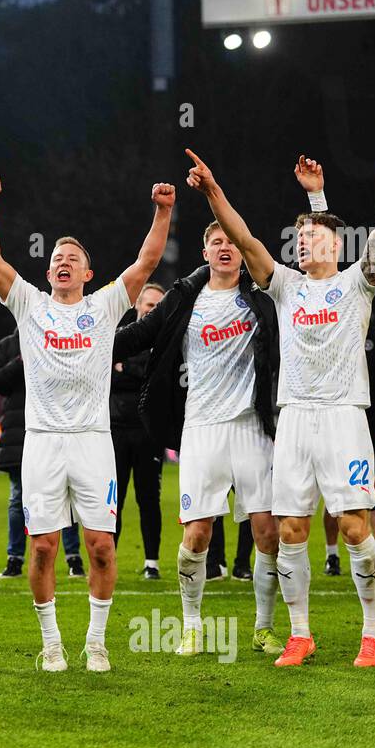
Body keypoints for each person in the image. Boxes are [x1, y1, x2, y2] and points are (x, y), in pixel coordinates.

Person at [186, 129, 375, 668]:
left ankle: (374, 633)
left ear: (337, 245)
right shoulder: (284, 285)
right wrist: (212, 190)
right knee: (291, 528)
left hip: (343, 417)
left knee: (356, 526)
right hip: (293, 421)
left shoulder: (360, 282)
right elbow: (243, 239)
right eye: (301, 235)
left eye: (315, 234)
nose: (305, 240)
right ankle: (300, 634)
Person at [0, 174, 175, 673]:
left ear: (89, 273)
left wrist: (163, 210)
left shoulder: (105, 306)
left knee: (101, 546)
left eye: (73, 259)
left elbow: (147, 261)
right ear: (47, 272)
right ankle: (51, 643)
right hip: (42, 444)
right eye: (57, 258)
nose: (63, 262)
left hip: (92, 442)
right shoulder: (29, 305)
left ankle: (97, 641)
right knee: (42, 547)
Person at [114, 216, 284, 658]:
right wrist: (89, 343)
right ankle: (191, 626)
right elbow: (138, 336)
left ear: (241, 251)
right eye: (216, 242)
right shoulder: (183, 300)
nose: (225, 247)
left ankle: (263, 628)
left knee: (268, 532)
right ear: (204, 252)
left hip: (251, 427)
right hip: (202, 429)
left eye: (231, 241)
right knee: (197, 536)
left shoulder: (261, 297)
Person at [0, 330, 84, 580]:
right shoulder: (9, 345)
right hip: (21, 434)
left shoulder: (63, 340)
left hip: (60, 429)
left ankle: (74, 558)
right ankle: (15, 559)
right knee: (19, 497)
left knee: (67, 494)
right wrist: (22, 360)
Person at [323, 324, 375, 578]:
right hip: (336, 423)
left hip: (374, 424)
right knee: (333, 492)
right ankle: (331, 555)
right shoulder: (333, 333)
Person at [111, 283, 166, 579]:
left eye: (158, 306)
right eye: (149, 305)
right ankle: (110, 559)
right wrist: (134, 371)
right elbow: (106, 375)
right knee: (113, 501)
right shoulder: (122, 336)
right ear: (137, 306)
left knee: (148, 499)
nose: (152, 310)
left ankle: (152, 563)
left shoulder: (164, 339)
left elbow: (153, 378)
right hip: (116, 431)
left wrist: (125, 368)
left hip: (148, 433)